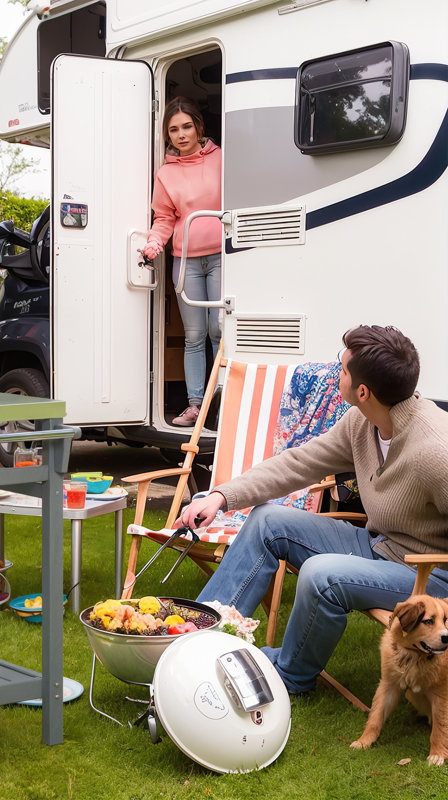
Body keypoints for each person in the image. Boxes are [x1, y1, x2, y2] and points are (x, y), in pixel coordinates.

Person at [177, 325, 448, 694]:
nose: (337, 371)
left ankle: (290, 676)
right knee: (268, 521)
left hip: (428, 575)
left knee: (324, 574)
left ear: (363, 391)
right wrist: (221, 497)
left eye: (344, 368)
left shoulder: (435, 451)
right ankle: (196, 637)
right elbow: (298, 463)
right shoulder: (362, 422)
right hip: (381, 547)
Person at [142, 97, 222, 428]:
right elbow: (164, 217)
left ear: (199, 127)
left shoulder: (221, 159)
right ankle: (194, 406)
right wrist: (152, 242)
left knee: (220, 331)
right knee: (194, 335)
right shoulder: (166, 173)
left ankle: (222, 403)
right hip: (185, 259)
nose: (181, 134)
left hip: (221, 256)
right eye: (174, 130)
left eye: (187, 126)